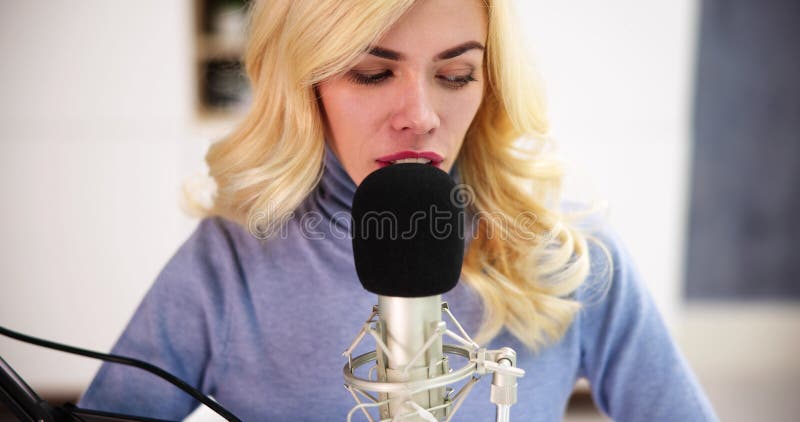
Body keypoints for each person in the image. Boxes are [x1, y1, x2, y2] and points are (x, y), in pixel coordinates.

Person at [79, 0, 717, 420]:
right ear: (307, 84)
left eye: (457, 74)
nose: (420, 116)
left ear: (489, 82)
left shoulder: (569, 253)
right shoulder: (231, 262)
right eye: (370, 73)